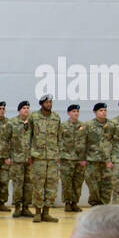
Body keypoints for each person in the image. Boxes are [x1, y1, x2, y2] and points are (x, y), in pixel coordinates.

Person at [28, 94, 60, 222]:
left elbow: (59, 137)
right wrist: (29, 155)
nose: (49, 104)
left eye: (50, 102)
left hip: (52, 156)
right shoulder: (34, 117)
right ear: (42, 104)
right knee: (38, 184)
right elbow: (28, 137)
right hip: (38, 157)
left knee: (51, 185)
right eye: (47, 102)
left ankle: (46, 212)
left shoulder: (56, 117)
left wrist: (59, 154)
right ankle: (37, 211)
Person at [7, 100, 33, 218]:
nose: (26, 110)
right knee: (18, 184)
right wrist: (7, 156)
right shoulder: (12, 123)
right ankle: (17, 207)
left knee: (29, 185)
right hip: (17, 159)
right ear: (19, 110)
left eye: (28, 108)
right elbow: (6, 140)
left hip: (30, 159)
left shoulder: (33, 122)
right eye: (24, 108)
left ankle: (26, 207)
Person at [59, 104, 86, 213]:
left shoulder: (83, 126)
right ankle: (67, 203)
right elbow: (59, 140)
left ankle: (75, 203)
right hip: (67, 158)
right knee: (67, 182)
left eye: (77, 111)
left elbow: (86, 142)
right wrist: (59, 155)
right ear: (69, 113)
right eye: (73, 111)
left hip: (79, 159)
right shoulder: (63, 126)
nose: (76, 113)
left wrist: (84, 158)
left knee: (78, 182)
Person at [83, 101, 110, 206]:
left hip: (107, 161)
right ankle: (95, 203)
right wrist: (83, 158)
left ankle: (104, 206)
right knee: (93, 185)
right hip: (93, 160)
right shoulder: (89, 125)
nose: (103, 112)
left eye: (105, 110)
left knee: (107, 185)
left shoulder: (111, 125)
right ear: (95, 112)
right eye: (101, 110)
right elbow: (83, 142)